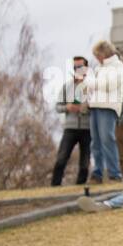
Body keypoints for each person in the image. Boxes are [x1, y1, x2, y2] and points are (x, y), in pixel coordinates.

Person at [86, 39, 123, 183]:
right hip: (95, 106)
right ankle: (97, 173)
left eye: (97, 54)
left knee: (107, 139)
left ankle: (115, 173)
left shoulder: (119, 67)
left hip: (108, 108)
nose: (96, 58)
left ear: (104, 53)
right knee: (95, 142)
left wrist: (91, 83)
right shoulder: (99, 68)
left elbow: (109, 85)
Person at [51, 56, 92, 186]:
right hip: (70, 128)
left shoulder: (92, 87)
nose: (77, 70)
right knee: (61, 158)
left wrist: (85, 108)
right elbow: (57, 107)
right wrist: (67, 107)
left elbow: (98, 107)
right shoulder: (66, 87)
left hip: (87, 128)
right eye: (75, 67)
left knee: (85, 161)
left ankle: (81, 185)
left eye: (80, 67)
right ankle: (55, 185)